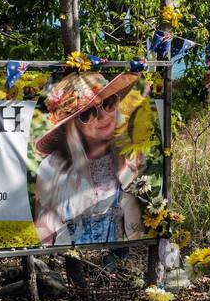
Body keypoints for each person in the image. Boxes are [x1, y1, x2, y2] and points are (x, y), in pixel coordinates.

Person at [32, 69, 145, 246]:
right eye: (87, 113)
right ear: (72, 124)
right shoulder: (52, 167)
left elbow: (138, 235)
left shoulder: (132, 154)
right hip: (67, 263)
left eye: (108, 102)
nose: (103, 116)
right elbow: (41, 229)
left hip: (116, 267)